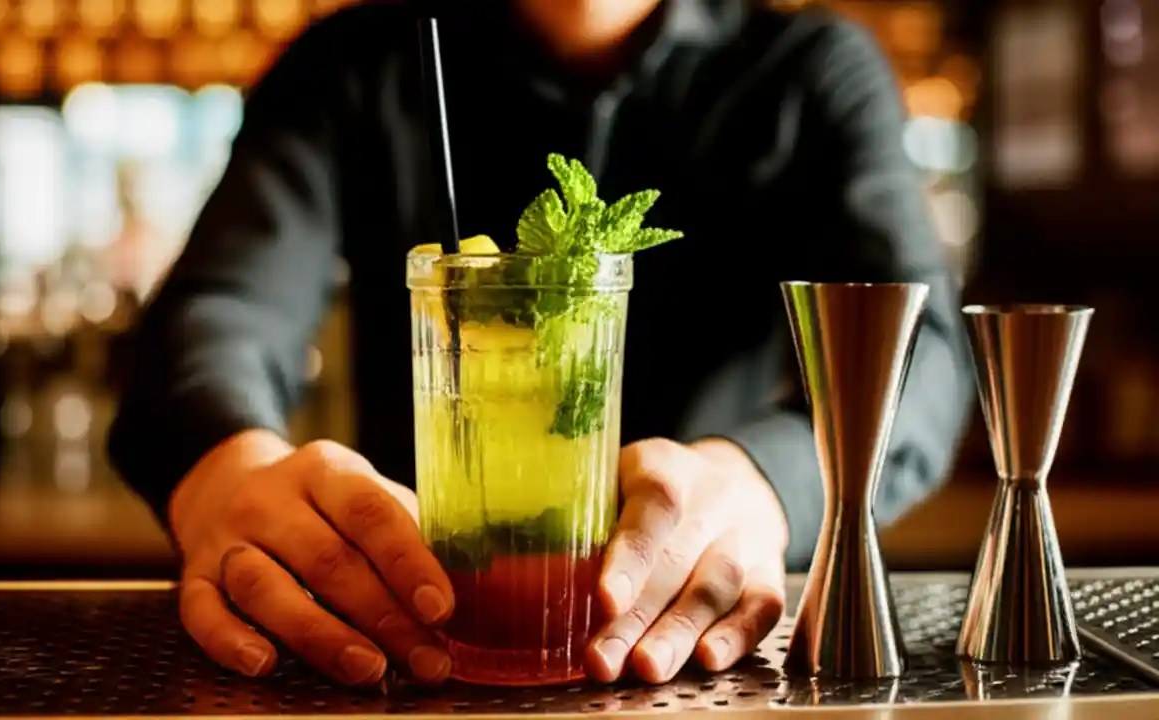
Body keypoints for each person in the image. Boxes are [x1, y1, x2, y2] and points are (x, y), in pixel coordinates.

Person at [109, 0, 973, 688]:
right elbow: (219, 311)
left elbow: (921, 349)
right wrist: (228, 473)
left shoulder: (811, 71)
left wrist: (763, 483)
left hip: (691, 644)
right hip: (415, 648)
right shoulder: (357, 61)